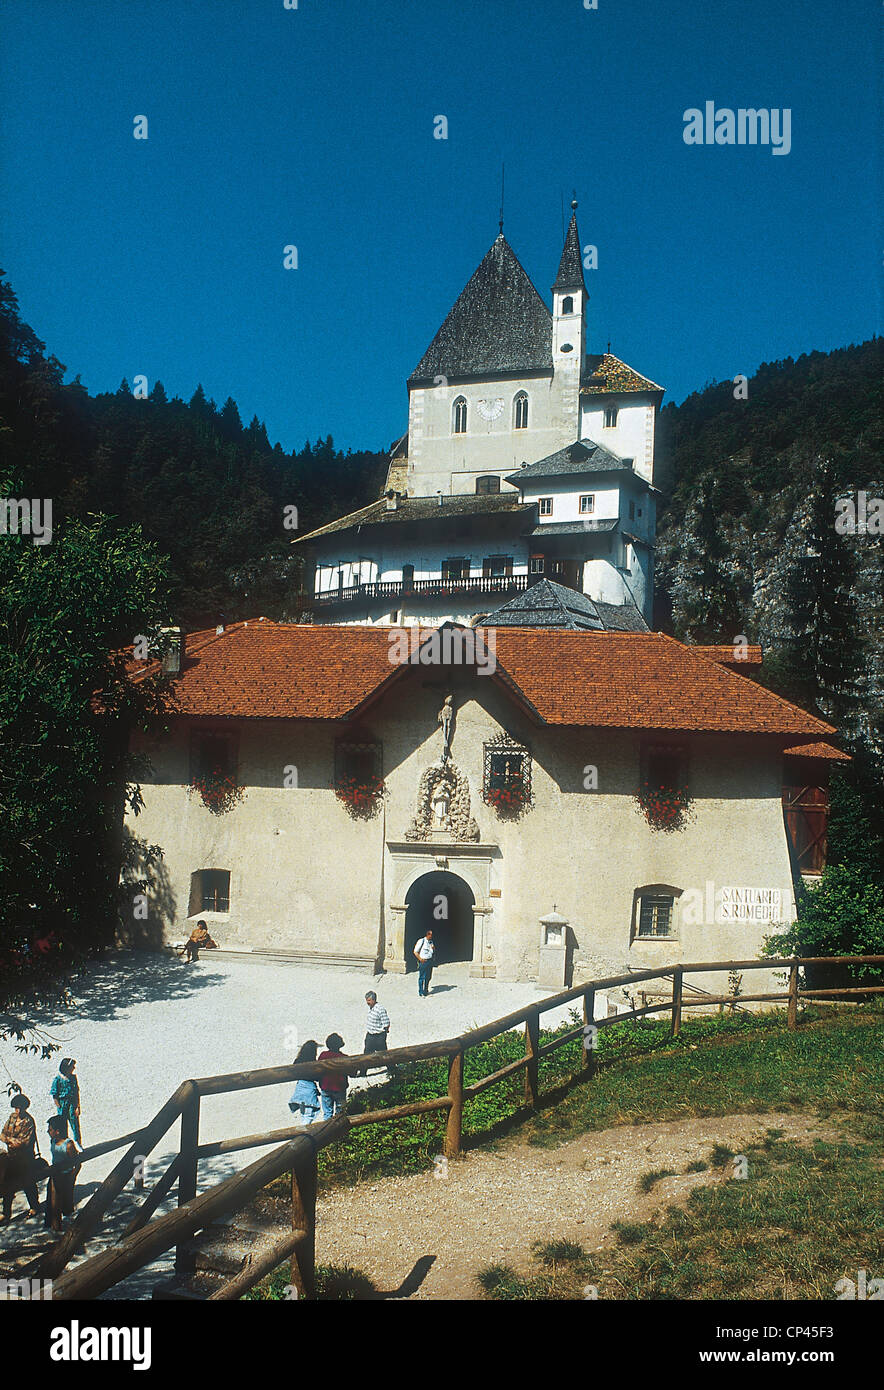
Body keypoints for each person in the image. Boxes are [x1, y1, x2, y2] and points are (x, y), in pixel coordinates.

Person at [0, 1094, 40, 1223]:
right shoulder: (12, 1117)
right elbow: (2, 1134)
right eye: (16, 1108)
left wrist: (9, 1140)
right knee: (8, 1184)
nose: (18, 1111)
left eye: (20, 1108)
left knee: (28, 1183)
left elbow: (24, 1143)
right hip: (12, 1157)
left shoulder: (29, 1121)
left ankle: (34, 1206)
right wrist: (11, 1140)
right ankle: (6, 1213)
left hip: (25, 1159)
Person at [45, 1115, 81, 1233]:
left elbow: (77, 1163)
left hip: (66, 1176)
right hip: (55, 1174)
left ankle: (66, 1227)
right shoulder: (53, 1141)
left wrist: (72, 1177)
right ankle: (56, 1227)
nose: (48, 1132)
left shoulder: (68, 1145)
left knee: (65, 1202)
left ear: (57, 1131)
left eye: (50, 1129)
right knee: (53, 1203)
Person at [288, 1040, 321, 1124]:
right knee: (308, 1115)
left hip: (300, 1088)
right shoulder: (314, 1063)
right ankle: (304, 1134)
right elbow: (317, 1077)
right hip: (309, 1089)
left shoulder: (298, 1060)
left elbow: (293, 1072)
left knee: (304, 1114)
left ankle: (303, 1133)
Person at [50, 1057, 81, 1145]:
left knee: (75, 1123)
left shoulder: (73, 1078)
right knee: (62, 1125)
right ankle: (65, 1144)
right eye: (72, 1066)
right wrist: (58, 1105)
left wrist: (77, 1106)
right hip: (62, 1104)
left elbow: (76, 1092)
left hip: (72, 1103)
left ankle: (78, 1143)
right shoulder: (58, 1079)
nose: (74, 1068)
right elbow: (54, 1094)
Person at [317, 1033, 348, 1118]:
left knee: (327, 1113)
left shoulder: (323, 1055)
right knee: (340, 1113)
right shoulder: (344, 1057)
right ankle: (339, 1129)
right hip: (340, 1087)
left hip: (326, 1087)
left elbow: (318, 1070)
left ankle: (327, 1129)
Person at [363, 992, 391, 1069]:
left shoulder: (380, 1009)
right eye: (366, 1000)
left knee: (384, 1054)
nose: (367, 1002)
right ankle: (363, 1072)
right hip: (370, 1035)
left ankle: (392, 1069)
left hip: (378, 1036)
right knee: (366, 1055)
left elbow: (386, 1023)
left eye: (369, 1000)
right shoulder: (372, 1008)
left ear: (374, 1000)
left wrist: (383, 1035)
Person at [413, 928, 436, 996]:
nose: (431, 936)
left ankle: (426, 991)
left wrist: (433, 948)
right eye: (430, 934)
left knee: (428, 977)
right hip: (423, 961)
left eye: (432, 934)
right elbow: (415, 952)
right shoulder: (421, 941)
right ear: (427, 934)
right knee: (422, 977)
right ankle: (421, 992)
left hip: (430, 961)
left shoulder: (431, 942)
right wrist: (420, 959)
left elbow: (433, 951)